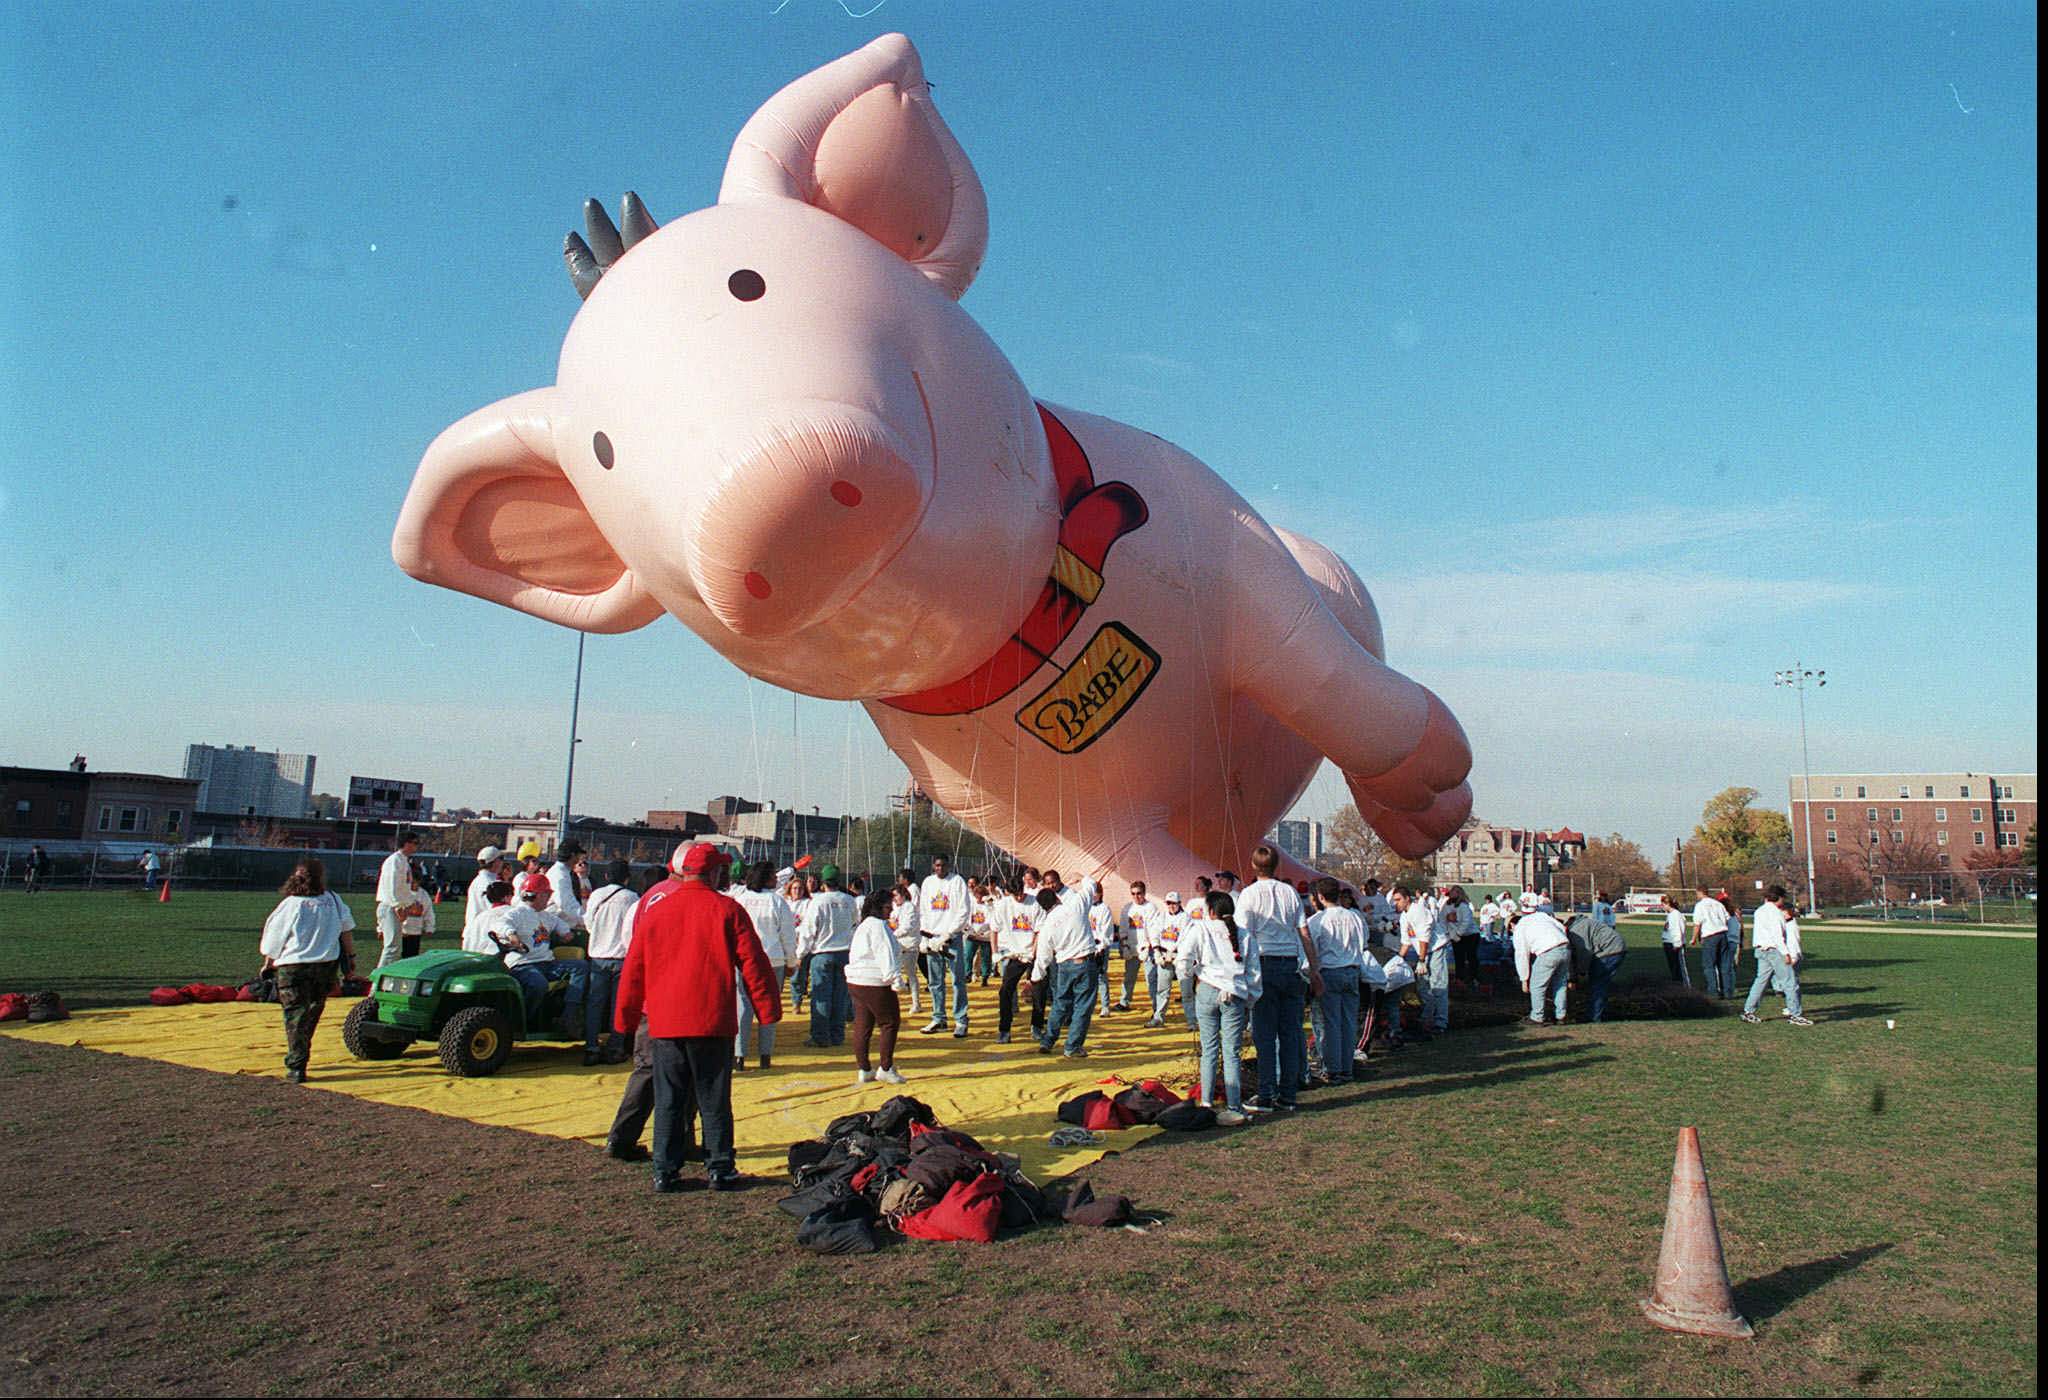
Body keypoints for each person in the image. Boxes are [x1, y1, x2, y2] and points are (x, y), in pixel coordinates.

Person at [614, 842, 782, 1192]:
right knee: (713, 1098)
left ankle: (665, 1169)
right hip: (711, 1019)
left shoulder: (658, 910)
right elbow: (754, 963)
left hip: (666, 1021)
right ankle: (720, 1167)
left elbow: (634, 970)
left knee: (669, 1099)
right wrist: (767, 1009)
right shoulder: (727, 909)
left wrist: (625, 1019)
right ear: (714, 872)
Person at [1237, 844, 1322, 1111]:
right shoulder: (1289, 892)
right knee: (1290, 1033)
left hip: (1264, 965)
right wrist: (1314, 969)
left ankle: (1266, 1094)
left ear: (1254, 866)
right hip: (1290, 965)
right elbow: (1304, 932)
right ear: (1277, 865)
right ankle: (1288, 1094)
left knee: (1264, 1035)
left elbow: (1242, 935)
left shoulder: (1249, 895)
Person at [259, 857, 356, 1084]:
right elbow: (346, 931)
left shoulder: (291, 904)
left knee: (295, 1015)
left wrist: (268, 963)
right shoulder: (334, 900)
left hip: (293, 966)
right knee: (312, 1012)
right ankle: (301, 1054)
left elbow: (275, 938)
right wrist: (351, 959)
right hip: (325, 966)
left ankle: (297, 1064)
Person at [1175, 891, 1257, 1126]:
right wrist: (1250, 998)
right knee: (1231, 1052)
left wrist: (1187, 978)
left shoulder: (1200, 928)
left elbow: (1183, 958)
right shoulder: (1244, 934)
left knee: (1209, 1049)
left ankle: (1206, 1102)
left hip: (1208, 990)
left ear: (1210, 911)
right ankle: (1233, 1105)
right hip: (1234, 993)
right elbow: (1254, 971)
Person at [730, 862, 797, 1071]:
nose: (777, 880)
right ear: (767, 879)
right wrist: (791, 962)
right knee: (769, 1007)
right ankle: (765, 1055)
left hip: (744, 960)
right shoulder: (777, 902)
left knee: (743, 1006)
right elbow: (788, 935)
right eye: (773, 877)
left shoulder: (740, 900)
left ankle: (739, 1055)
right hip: (772, 959)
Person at [1306, 878, 1368, 1086]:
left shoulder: (1317, 920)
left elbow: (1312, 949)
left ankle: (1333, 1069)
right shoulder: (1354, 917)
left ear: (1320, 897)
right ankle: (1347, 1067)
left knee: (1331, 1024)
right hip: (1351, 969)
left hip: (1329, 971)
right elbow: (1362, 943)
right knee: (1348, 1022)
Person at [847, 888, 910, 1085]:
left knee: (862, 1025)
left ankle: (864, 1068)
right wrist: (895, 979)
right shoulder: (878, 926)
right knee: (889, 1022)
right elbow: (885, 953)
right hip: (875, 981)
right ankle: (886, 1067)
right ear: (879, 907)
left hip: (856, 980)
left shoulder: (863, 925)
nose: (891, 910)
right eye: (888, 907)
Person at [583, 859, 641, 1065]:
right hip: (622, 957)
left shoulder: (597, 895)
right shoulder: (632, 898)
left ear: (606, 876)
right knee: (618, 1006)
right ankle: (615, 1048)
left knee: (594, 1004)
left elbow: (588, 923)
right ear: (627, 878)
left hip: (598, 956)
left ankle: (591, 1047)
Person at [794, 864, 858, 1046]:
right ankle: (837, 1035)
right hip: (844, 953)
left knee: (821, 996)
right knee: (840, 997)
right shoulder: (849, 901)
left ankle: (820, 1036)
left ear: (823, 882)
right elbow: (855, 924)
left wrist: (800, 954)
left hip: (822, 953)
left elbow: (808, 931)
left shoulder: (818, 902)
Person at [1031, 886, 1098, 1058]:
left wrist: (1036, 977)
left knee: (1060, 1004)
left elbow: (1043, 956)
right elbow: (1090, 884)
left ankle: (1048, 1040)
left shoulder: (1047, 926)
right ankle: (1072, 1046)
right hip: (1084, 962)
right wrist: (1078, 879)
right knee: (1083, 1006)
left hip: (1064, 966)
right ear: (1057, 897)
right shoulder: (1075, 905)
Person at [916, 854, 973, 1037]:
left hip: (951, 938)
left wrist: (949, 933)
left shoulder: (957, 882)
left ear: (948, 866)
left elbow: (964, 910)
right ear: (933, 866)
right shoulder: (928, 882)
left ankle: (961, 1019)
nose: (940, 868)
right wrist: (925, 936)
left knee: (957, 980)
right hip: (932, 938)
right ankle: (938, 1018)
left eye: (943, 865)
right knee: (935, 981)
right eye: (937, 865)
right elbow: (924, 910)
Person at [1742, 886, 1813, 1026]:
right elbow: (1777, 935)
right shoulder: (1776, 913)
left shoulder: (1759, 911)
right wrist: (1786, 953)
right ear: (1779, 898)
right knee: (1790, 982)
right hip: (1775, 950)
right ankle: (1795, 1014)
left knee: (1761, 982)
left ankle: (1748, 1011)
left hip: (1761, 950)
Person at [994, 874, 1040, 1043]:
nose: (1019, 897)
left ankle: (1037, 1027)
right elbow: (994, 929)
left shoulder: (1035, 903)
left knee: (1038, 991)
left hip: (1033, 953)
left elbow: (1039, 931)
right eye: (1015, 895)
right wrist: (995, 952)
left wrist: (1033, 953)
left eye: (1021, 893)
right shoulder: (1003, 904)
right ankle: (1004, 1030)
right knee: (1005, 990)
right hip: (1015, 954)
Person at [1512, 906, 1572, 1025]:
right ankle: (1561, 1016)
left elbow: (1521, 954)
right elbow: (1563, 928)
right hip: (1565, 947)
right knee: (1560, 984)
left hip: (1548, 951)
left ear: (1512, 925)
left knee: (1537, 986)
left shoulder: (1520, 927)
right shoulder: (1542, 916)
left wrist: (1524, 979)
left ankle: (1537, 1017)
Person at [1566, 906, 1627, 1022]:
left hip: (1609, 950)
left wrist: (1581, 973)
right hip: (1614, 947)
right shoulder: (1583, 923)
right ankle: (1598, 1013)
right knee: (1601, 983)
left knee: (1598, 983)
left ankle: (1594, 1017)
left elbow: (1584, 952)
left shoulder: (1576, 930)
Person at [374, 831, 424, 969]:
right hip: (391, 906)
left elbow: (404, 888)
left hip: (396, 906)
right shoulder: (395, 860)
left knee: (394, 947)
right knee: (392, 947)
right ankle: (378, 979)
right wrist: (398, 906)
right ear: (407, 843)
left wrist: (410, 904)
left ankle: (383, 977)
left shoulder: (403, 861)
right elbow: (392, 885)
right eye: (415, 843)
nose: (416, 846)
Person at [1141, 888, 1187, 1028]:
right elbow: (1154, 933)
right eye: (1168, 903)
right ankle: (1158, 1017)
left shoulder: (1185, 918)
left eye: (1174, 903)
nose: (1171, 906)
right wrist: (1156, 951)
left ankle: (1192, 1020)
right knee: (1162, 989)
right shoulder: (1162, 917)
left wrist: (1173, 952)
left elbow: (1185, 937)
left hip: (1179, 956)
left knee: (1186, 991)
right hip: (1163, 955)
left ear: (1179, 903)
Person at [1116, 881, 1163, 1013]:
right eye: (1133, 894)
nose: (1136, 896)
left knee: (1151, 979)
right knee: (1129, 976)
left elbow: (1154, 929)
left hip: (1147, 948)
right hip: (1131, 947)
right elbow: (1123, 928)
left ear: (1144, 893)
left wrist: (1149, 946)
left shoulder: (1151, 908)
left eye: (1139, 893)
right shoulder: (1127, 908)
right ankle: (1124, 1001)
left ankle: (1156, 1007)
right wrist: (1124, 945)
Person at [889, 878, 923, 1016]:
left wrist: (892, 934)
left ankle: (916, 1003)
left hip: (909, 945)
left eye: (896, 895)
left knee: (910, 974)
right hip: (896, 944)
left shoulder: (910, 907)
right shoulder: (894, 908)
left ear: (903, 894)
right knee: (893, 974)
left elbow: (907, 927)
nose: (894, 898)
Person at [1690, 884, 1731, 996]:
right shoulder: (1718, 904)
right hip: (1722, 934)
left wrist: (1693, 938)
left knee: (1709, 965)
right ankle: (1726, 991)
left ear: (1699, 892)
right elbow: (1727, 918)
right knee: (1723, 964)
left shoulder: (1700, 905)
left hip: (1710, 936)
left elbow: (1697, 924)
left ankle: (1713, 991)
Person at [1446, 885, 1481, 988]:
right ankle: (1459, 978)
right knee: (1458, 957)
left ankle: (1473, 978)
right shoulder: (1447, 906)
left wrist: (1458, 934)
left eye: (1453, 893)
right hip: (1457, 935)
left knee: (1471, 957)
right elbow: (1445, 919)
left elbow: (1466, 922)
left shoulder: (1463, 906)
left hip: (1470, 935)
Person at [466, 845, 509, 929]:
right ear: (494, 862)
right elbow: (496, 909)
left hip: (475, 928)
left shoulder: (478, 880)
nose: (502, 862)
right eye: (501, 858)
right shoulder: (490, 883)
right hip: (483, 929)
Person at [1660, 896, 1693, 986]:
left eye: (1663, 905)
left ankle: (1685, 986)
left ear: (1668, 904)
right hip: (1668, 943)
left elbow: (1678, 929)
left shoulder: (1676, 915)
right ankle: (1677, 985)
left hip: (1674, 944)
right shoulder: (1670, 915)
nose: (1662, 907)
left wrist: (1677, 944)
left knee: (1680, 967)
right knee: (1673, 967)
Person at [1716, 892, 1743, 1000]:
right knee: (1729, 967)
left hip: (1726, 940)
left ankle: (1725, 990)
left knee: (1724, 967)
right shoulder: (1734, 914)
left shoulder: (1724, 914)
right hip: (1734, 941)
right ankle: (1729, 989)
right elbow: (1739, 929)